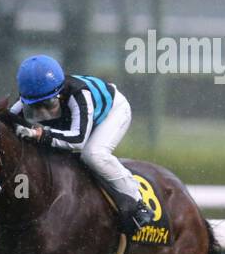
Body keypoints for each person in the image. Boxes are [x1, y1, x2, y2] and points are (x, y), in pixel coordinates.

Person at [11, 54, 154, 235]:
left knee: (93, 154)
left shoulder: (79, 95)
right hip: (78, 122)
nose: (44, 114)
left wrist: (41, 134)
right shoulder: (24, 101)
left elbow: (77, 141)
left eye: (49, 104)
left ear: (60, 94)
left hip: (112, 111)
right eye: (36, 107)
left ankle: (138, 202)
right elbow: (3, 124)